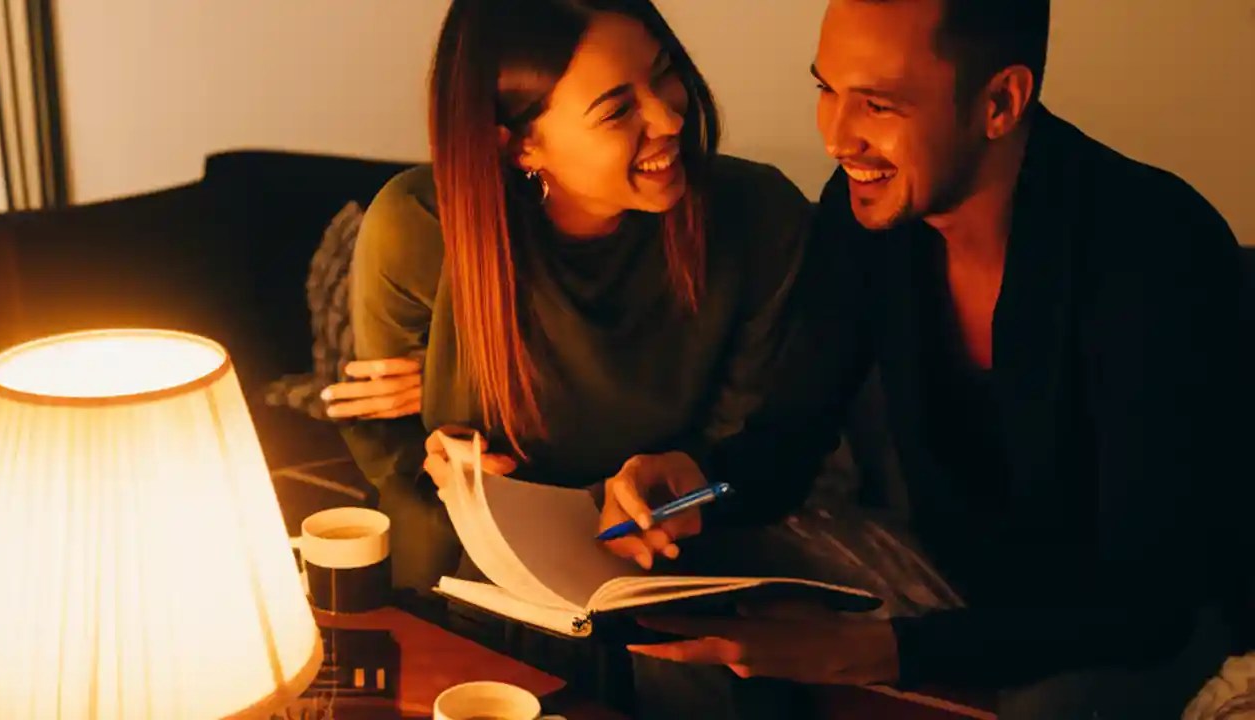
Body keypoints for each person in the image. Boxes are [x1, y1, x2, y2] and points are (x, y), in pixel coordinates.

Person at [625, 0, 1251, 718]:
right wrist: (697, 488)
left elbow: (1147, 599)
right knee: (665, 587)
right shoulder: (865, 209)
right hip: (957, 572)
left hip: (1136, 620)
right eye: (825, 89)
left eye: (878, 105)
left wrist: (877, 649)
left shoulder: (1152, 247)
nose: (835, 136)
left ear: (1000, 102)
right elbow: (786, 443)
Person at [322, 0, 809, 601]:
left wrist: (687, 484)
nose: (669, 118)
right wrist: (444, 462)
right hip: (478, 565)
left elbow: (757, 455)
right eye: (617, 110)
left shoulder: (757, 217)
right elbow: (392, 442)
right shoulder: (421, 227)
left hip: (671, 559)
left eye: (662, 74)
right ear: (520, 147)